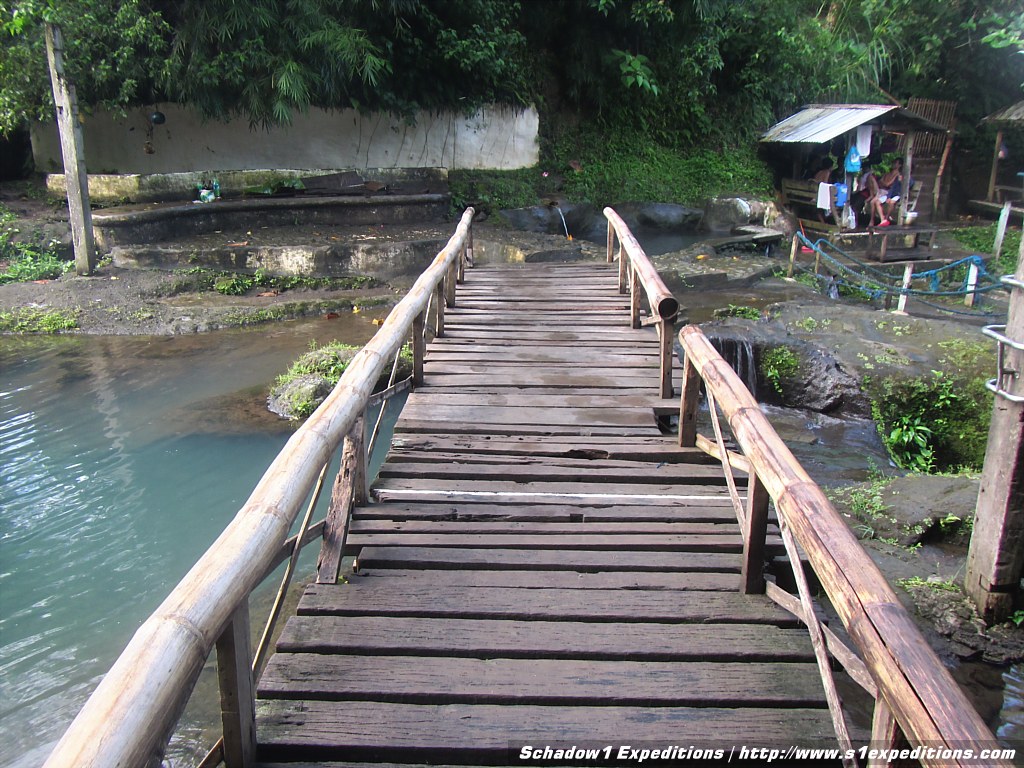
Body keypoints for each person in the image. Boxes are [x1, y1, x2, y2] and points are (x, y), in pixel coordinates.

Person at [860, 163, 889, 227]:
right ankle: (873, 220)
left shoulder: (870, 178)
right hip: (878, 193)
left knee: (873, 202)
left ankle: (877, 220)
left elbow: (874, 193)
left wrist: (867, 200)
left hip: (882, 193)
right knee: (871, 201)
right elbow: (872, 193)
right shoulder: (870, 178)